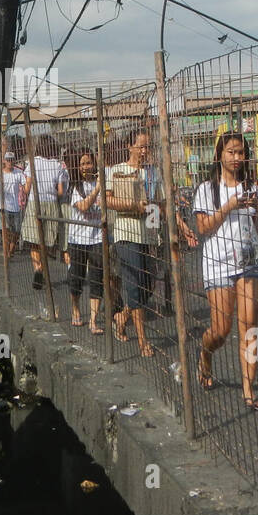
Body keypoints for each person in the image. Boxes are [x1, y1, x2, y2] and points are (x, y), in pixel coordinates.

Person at [193, 132, 258, 410]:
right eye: (231, 152)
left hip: (251, 263)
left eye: (241, 152)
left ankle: (249, 392)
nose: (237, 158)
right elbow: (203, 228)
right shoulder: (207, 190)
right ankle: (205, 353)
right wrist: (229, 206)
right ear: (220, 155)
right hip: (218, 265)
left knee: (249, 326)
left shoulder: (253, 188)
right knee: (221, 330)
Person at [105, 131, 160, 357]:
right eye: (141, 146)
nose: (145, 151)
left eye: (148, 147)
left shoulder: (153, 173)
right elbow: (107, 200)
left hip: (148, 233)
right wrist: (132, 205)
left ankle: (122, 317)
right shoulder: (117, 171)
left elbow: (160, 202)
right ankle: (143, 340)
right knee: (134, 280)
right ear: (130, 147)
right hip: (126, 232)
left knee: (149, 282)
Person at [19, 136, 69, 290]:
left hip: (35, 203)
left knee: (34, 241)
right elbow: (61, 192)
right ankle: (42, 268)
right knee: (47, 242)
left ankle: (37, 268)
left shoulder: (33, 162)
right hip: (52, 205)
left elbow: (27, 188)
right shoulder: (57, 165)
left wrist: (23, 191)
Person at [66, 152, 106, 333]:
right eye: (82, 164)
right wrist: (97, 189)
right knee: (77, 277)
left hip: (97, 237)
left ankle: (93, 320)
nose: (86, 167)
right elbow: (82, 207)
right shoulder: (76, 186)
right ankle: (75, 309)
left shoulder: (101, 183)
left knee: (97, 278)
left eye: (89, 163)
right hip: (77, 238)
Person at [0, 151, 26, 259]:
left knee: (16, 231)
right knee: (5, 229)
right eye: (8, 159)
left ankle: (11, 250)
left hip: (16, 207)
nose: (10, 162)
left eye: (11, 160)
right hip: (3, 207)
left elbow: (26, 186)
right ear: (4, 161)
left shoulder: (19, 173)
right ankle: (6, 252)